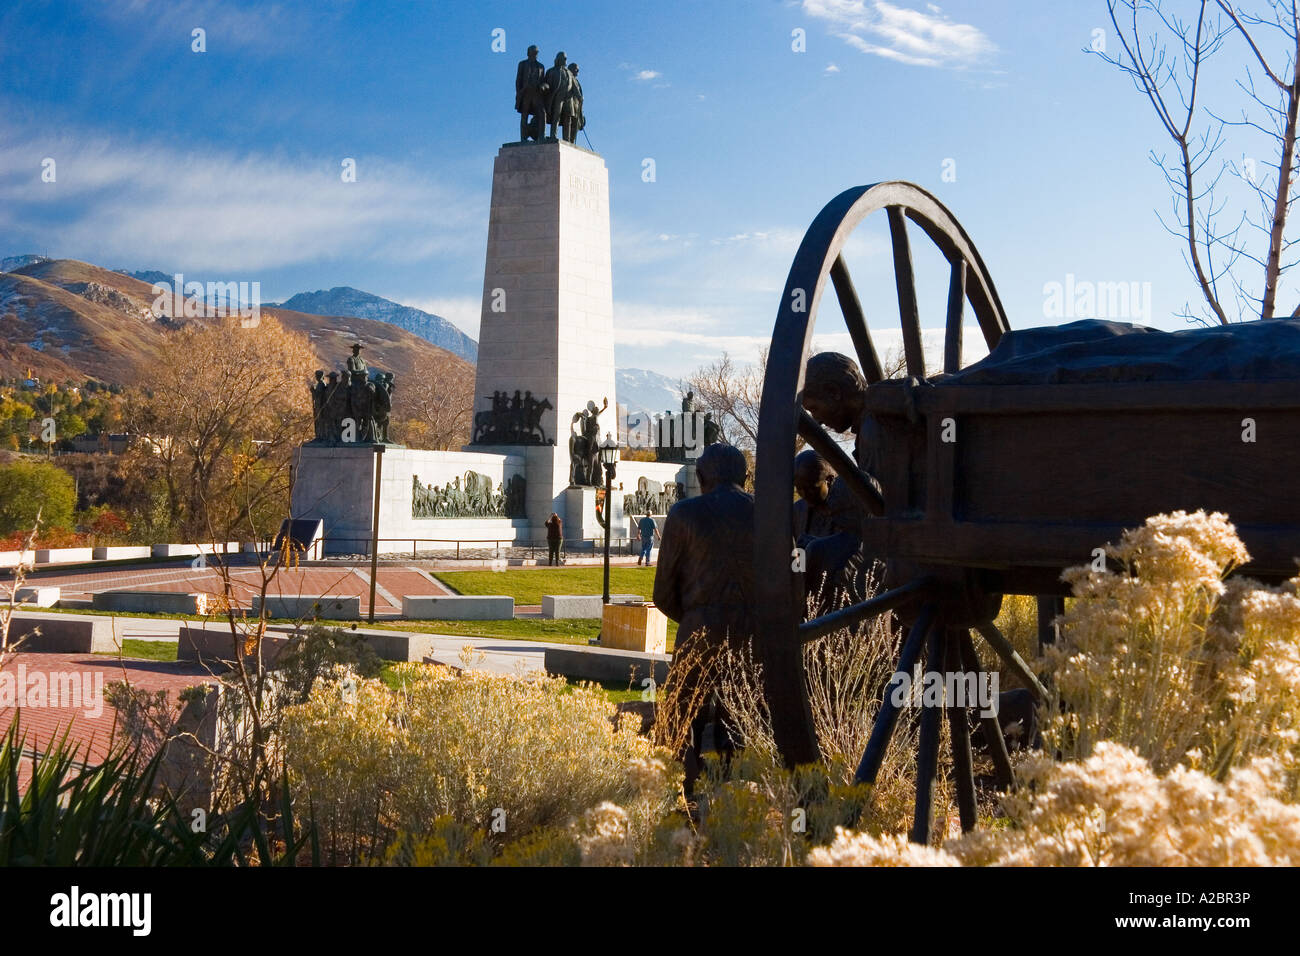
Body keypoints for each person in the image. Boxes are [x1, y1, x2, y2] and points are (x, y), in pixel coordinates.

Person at [652, 443, 754, 800]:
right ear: (747, 477)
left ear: (700, 477)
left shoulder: (684, 514)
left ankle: (682, 789)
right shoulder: (769, 514)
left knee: (682, 712)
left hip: (698, 625)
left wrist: (699, 618)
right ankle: (738, 793)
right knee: (741, 712)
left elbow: (662, 591)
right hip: (752, 630)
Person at [792, 449, 836, 541]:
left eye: (810, 488)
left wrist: (820, 548)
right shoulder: (797, 510)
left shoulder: (849, 509)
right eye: (799, 488)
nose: (804, 494)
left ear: (829, 480)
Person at [515, 44, 546, 141]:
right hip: (526, 93)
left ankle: (542, 136)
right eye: (533, 52)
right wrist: (519, 93)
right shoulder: (522, 64)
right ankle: (523, 137)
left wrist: (543, 86)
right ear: (528, 53)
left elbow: (543, 80)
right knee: (525, 114)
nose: (535, 54)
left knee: (542, 114)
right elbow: (518, 79)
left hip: (537, 94)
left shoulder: (541, 66)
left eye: (536, 52)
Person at [544, 52, 574, 141]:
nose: (565, 60)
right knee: (556, 116)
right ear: (558, 59)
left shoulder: (569, 72)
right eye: (563, 58)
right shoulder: (551, 71)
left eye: (566, 58)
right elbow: (547, 84)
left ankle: (567, 139)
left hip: (568, 98)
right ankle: (553, 135)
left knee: (567, 118)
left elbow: (573, 87)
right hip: (557, 97)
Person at [566, 62, 584, 143]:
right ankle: (567, 140)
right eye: (576, 69)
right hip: (570, 104)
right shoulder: (568, 78)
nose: (578, 71)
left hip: (577, 107)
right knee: (569, 123)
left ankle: (572, 142)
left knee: (575, 126)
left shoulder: (577, 81)